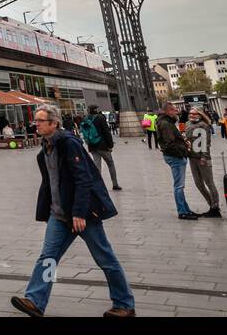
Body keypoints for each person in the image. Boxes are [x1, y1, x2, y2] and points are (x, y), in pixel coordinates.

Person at [10, 104, 135, 318]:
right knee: (48, 257)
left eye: (40, 121)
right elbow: (51, 183)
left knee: (105, 258)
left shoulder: (69, 144)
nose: (36, 124)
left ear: (54, 123)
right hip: (59, 216)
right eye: (36, 121)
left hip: (84, 215)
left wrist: (79, 212)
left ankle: (124, 303)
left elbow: (83, 179)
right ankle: (35, 300)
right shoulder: (45, 149)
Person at [155, 102, 200, 221]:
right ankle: (182, 211)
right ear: (169, 111)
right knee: (179, 186)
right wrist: (182, 152)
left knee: (179, 185)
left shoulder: (165, 122)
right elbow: (170, 143)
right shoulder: (165, 124)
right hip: (175, 157)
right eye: (175, 110)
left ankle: (185, 209)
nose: (177, 112)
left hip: (173, 155)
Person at [185, 109, 220, 218]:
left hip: (202, 158)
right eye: (190, 113)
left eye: (194, 113)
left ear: (200, 115)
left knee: (209, 183)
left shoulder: (203, 125)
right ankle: (211, 205)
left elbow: (206, 142)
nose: (192, 115)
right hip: (192, 157)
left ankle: (215, 207)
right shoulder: (188, 124)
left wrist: (204, 157)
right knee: (198, 183)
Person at [82, 105, 121, 192]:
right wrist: (110, 145)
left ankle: (97, 186)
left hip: (92, 146)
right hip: (103, 146)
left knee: (97, 166)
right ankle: (115, 184)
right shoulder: (100, 118)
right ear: (96, 110)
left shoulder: (86, 118)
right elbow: (106, 132)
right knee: (110, 164)